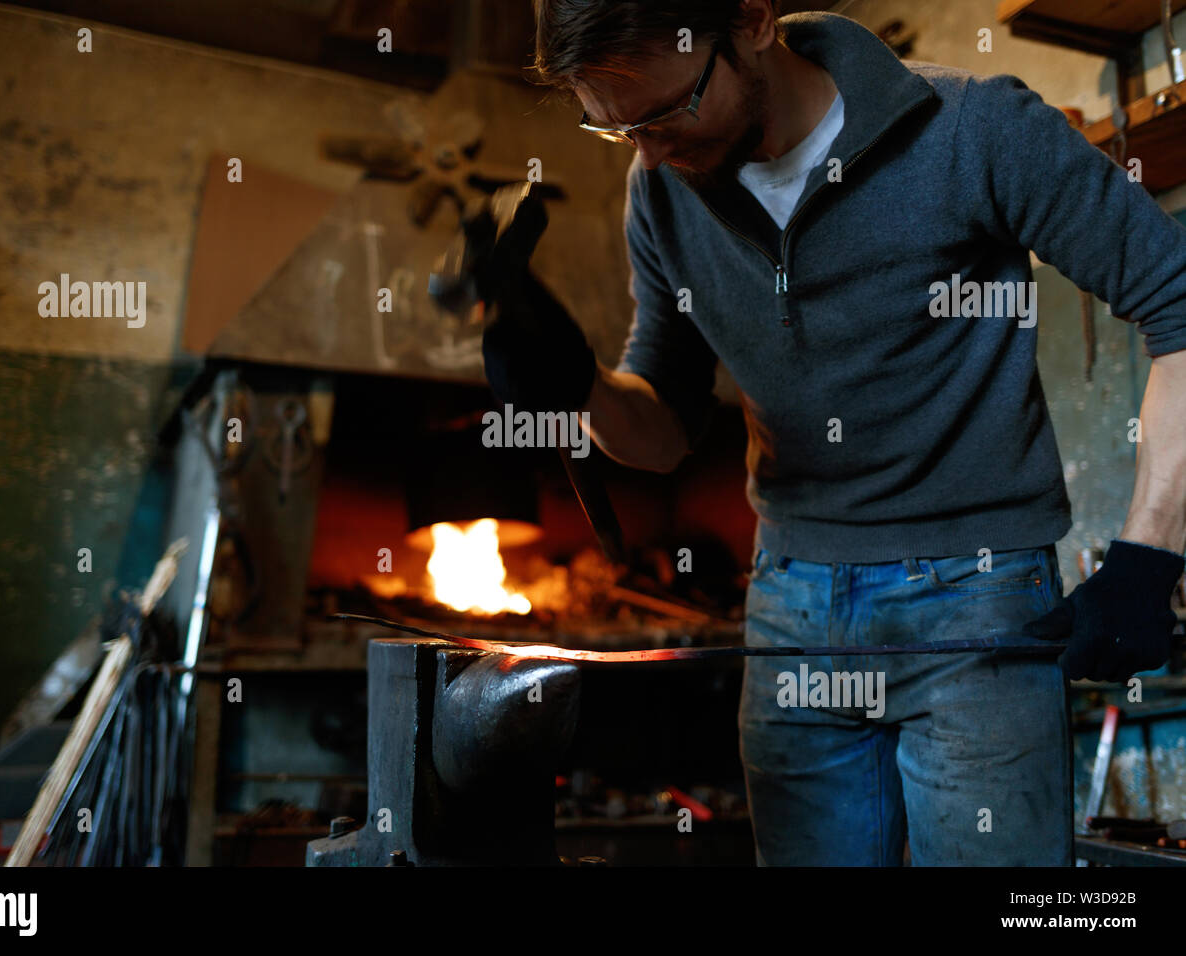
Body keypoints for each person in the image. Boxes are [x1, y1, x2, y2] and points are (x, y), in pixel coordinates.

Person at [479, 0, 1186, 865]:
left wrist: (1149, 557)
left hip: (977, 596)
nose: (651, 154)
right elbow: (663, 431)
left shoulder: (973, 129)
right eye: (615, 131)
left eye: (666, 114)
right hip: (794, 609)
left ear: (750, 21)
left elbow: (1178, 306)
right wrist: (574, 385)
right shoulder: (660, 186)